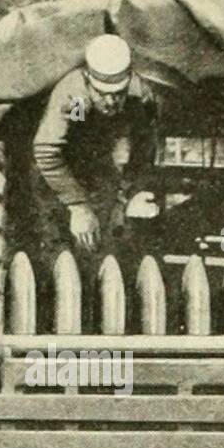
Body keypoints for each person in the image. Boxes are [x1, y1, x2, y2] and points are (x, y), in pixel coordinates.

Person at [30, 33, 159, 329]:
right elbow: (47, 151)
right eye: (103, 93)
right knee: (57, 247)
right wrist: (77, 205)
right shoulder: (74, 98)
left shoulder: (142, 96)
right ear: (89, 80)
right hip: (56, 170)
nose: (112, 101)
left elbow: (145, 149)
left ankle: (101, 324)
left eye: (118, 93)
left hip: (98, 165)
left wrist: (132, 193)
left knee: (102, 245)